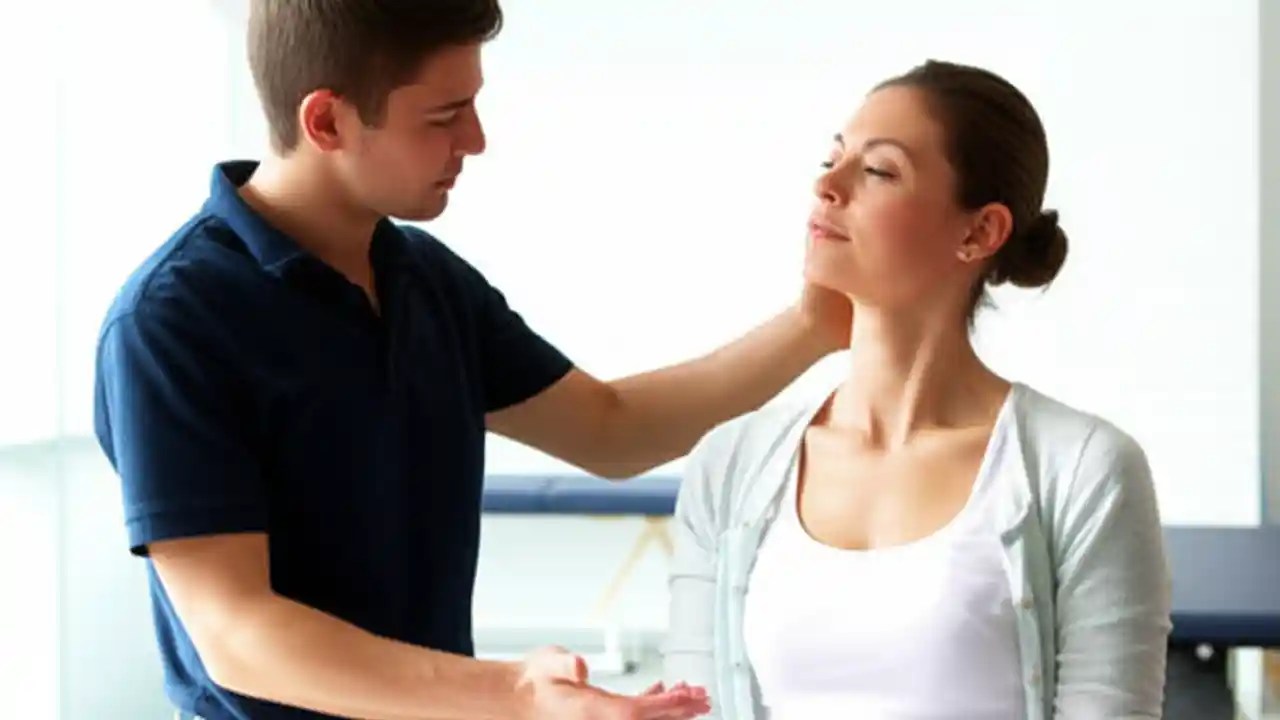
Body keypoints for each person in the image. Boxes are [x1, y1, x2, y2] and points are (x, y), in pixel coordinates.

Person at [91, 1, 852, 719]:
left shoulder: (424, 279)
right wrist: (515, 692)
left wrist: (815, 324)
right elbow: (239, 637)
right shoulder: (172, 322)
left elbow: (613, 431)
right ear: (326, 120)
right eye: (445, 116)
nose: (477, 139)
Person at [660, 59, 1173, 719]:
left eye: (878, 170)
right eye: (832, 158)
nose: (828, 185)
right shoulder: (729, 467)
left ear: (979, 231)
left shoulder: (1080, 469)